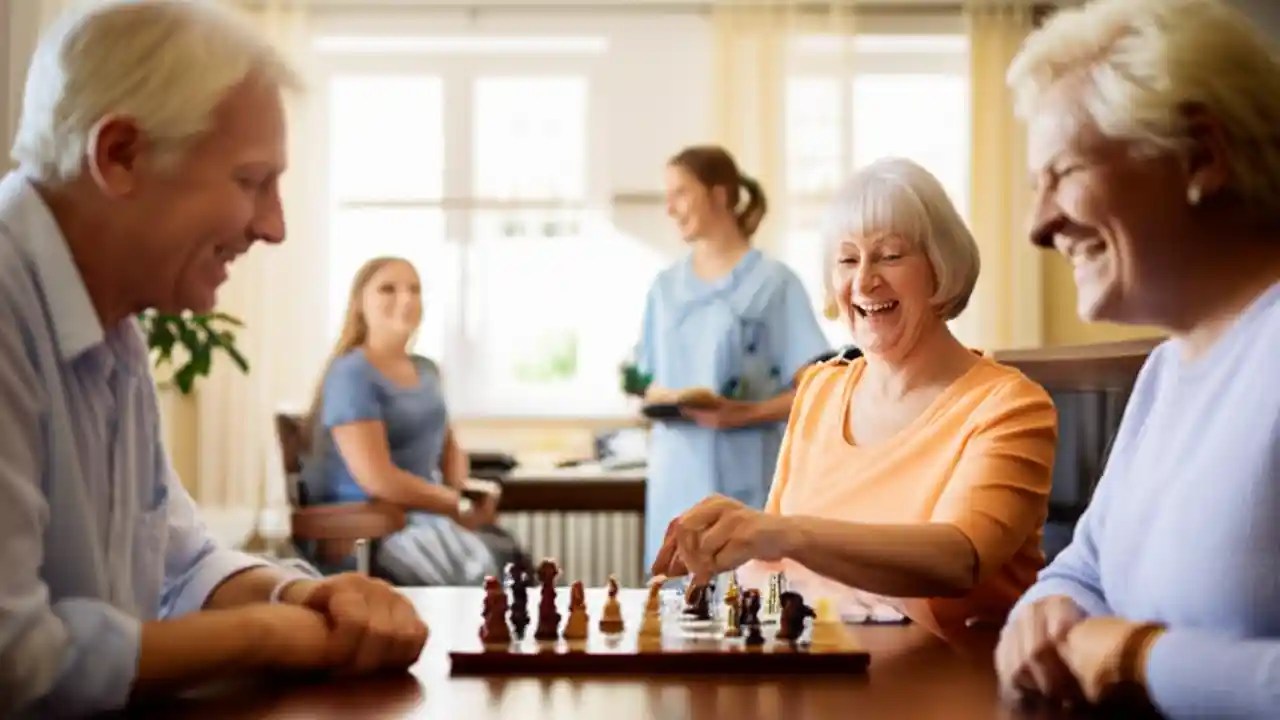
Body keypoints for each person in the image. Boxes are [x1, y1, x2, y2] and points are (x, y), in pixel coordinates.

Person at [0, 3, 426, 717]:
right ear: (120, 156)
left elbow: (183, 565)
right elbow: (15, 657)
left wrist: (305, 596)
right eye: (252, 180)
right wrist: (265, 635)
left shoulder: (114, 330)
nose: (274, 226)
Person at [993, 0, 1280, 716]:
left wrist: (1137, 658)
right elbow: (1081, 570)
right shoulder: (1166, 372)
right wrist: (1046, 615)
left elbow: (1123, 645)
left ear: (1201, 155)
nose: (1038, 224)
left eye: (1063, 173)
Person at [651, 157, 1058, 643]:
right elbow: (768, 573)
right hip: (820, 666)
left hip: (951, 676)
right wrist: (779, 612)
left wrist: (792, 538)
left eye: (889, 256)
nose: (864, 281)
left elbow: (958, 559)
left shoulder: (1008, 406)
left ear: (941, 266)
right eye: (847, 261)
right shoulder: (820, 391)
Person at [635, 145, 830, 567]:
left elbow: (819, 391)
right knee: (674, 596)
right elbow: (646, 381)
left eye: (680, 193)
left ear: (719, 195)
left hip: (749, 480)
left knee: (752, 595)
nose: (669, 208)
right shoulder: (664, 289)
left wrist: (745, 413)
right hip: (675, 479)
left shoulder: (775, 284)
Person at [301, 256, 524, 586]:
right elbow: (378, 480)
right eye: (387, 289)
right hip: (370, 528)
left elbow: (447, 449)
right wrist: (452, 503)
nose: (405, 299)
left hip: (427, 521)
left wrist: (467, 492)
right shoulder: (352, 374)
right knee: (487, 574)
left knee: (510, 562)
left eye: (415, 290)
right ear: (359, 303)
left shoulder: (428, 370)